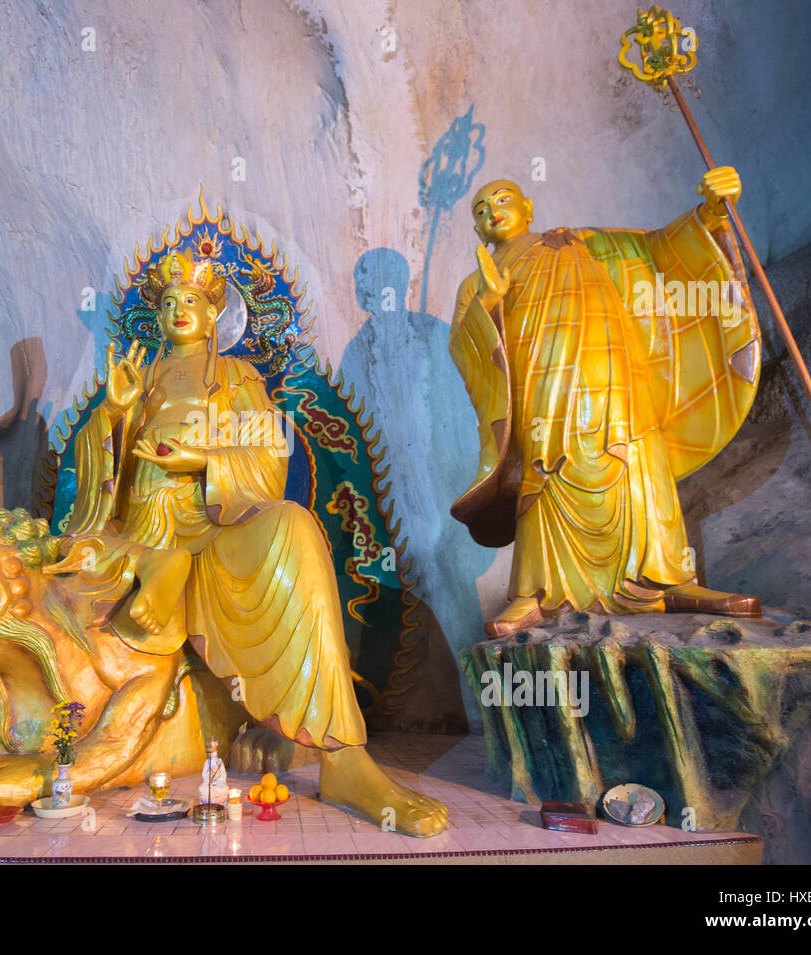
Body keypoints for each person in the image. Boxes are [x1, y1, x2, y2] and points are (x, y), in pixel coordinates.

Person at [56, 250, 447, 836]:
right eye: (167, 303)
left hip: (212, 528)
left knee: (291, 525)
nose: (179, 310)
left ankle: (343, 759)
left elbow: (267, 461)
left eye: (192, 300)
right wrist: (112, 410)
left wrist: (203, 460)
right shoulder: (137, 375)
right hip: (140, 535)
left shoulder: (237, 378)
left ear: (216, 315)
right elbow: (88, 488)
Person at [449, 171, 763, 636]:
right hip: (541, 387)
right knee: (545, 464)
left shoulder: (579, 242)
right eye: (481, 211)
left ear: (529, 207)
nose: (493, 211)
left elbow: (655, 251)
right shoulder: (477, 282)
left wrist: (711, 212)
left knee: (636, 454)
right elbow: (463, 348)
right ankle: (534, 591)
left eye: (503, 199)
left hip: (612, 370)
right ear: (477, 232)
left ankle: (670, 578)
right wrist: (487, 307)